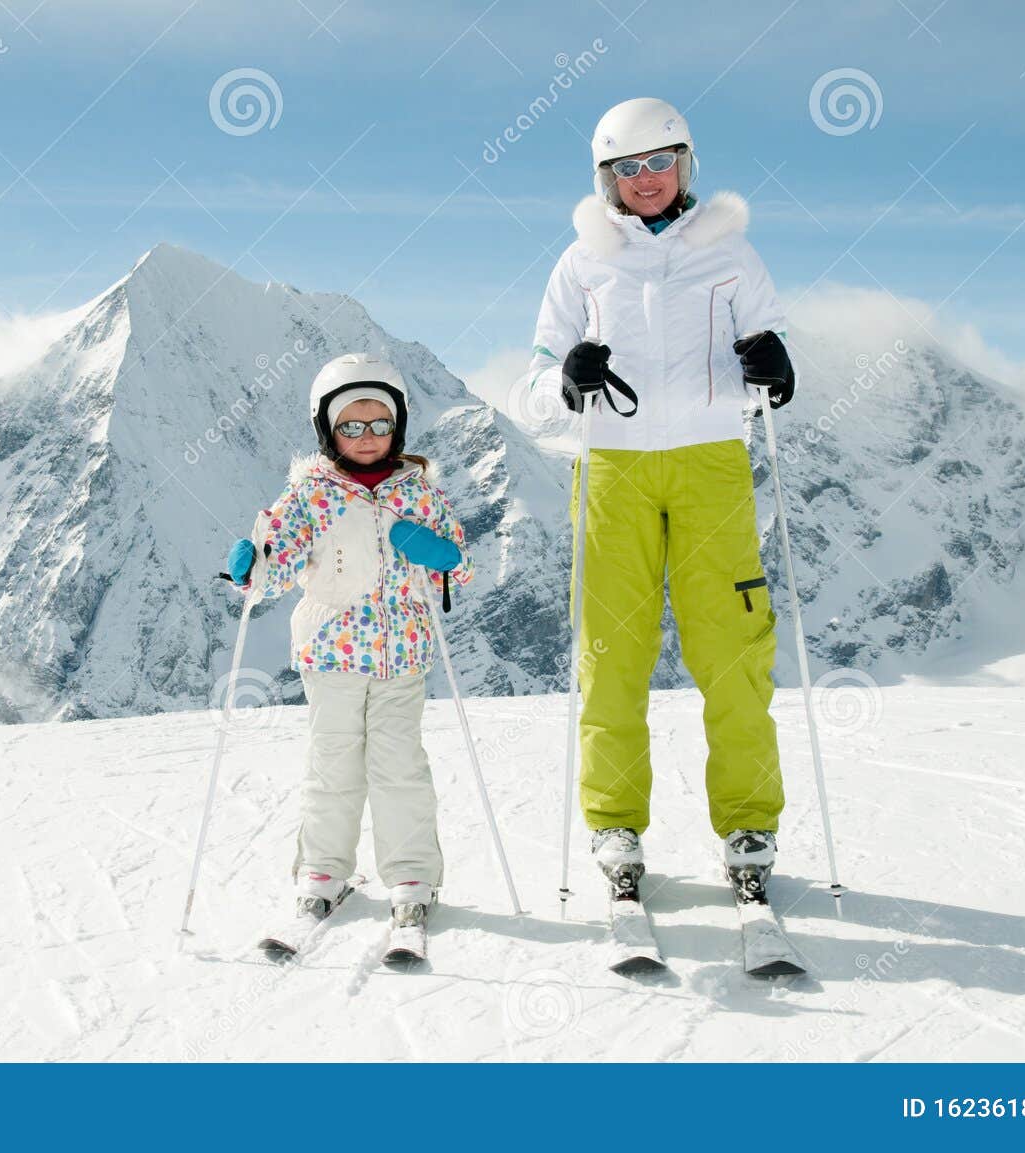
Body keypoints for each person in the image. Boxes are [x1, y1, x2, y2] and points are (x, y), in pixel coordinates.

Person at [514, 97, 798, 902]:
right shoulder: (580, 264)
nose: (645, 180)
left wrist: (777, 368)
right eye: (626, 168)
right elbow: (534, 384)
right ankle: (614, 820)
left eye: (659, 162)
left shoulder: (733, 255)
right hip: (613, 468)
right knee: (612, 653)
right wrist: (562, 382)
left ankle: (748, 820)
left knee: (734, 650)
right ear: (605, 178)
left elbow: (775, 361)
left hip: (711, 463)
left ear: (687, 163)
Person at [225, 353, 473, 944]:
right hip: (332, 654)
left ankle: (411, 877)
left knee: (399, 767)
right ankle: (324, 871)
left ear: (399, 427)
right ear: (328, 431)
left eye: (380, 424)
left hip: (402, 655)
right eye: (352, 426)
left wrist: (442, 556)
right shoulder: (309, 496)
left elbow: (456, 565)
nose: (367, 438)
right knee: (333, 765)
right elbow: (274, 567)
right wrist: (250, 565)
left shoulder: (420, 494)